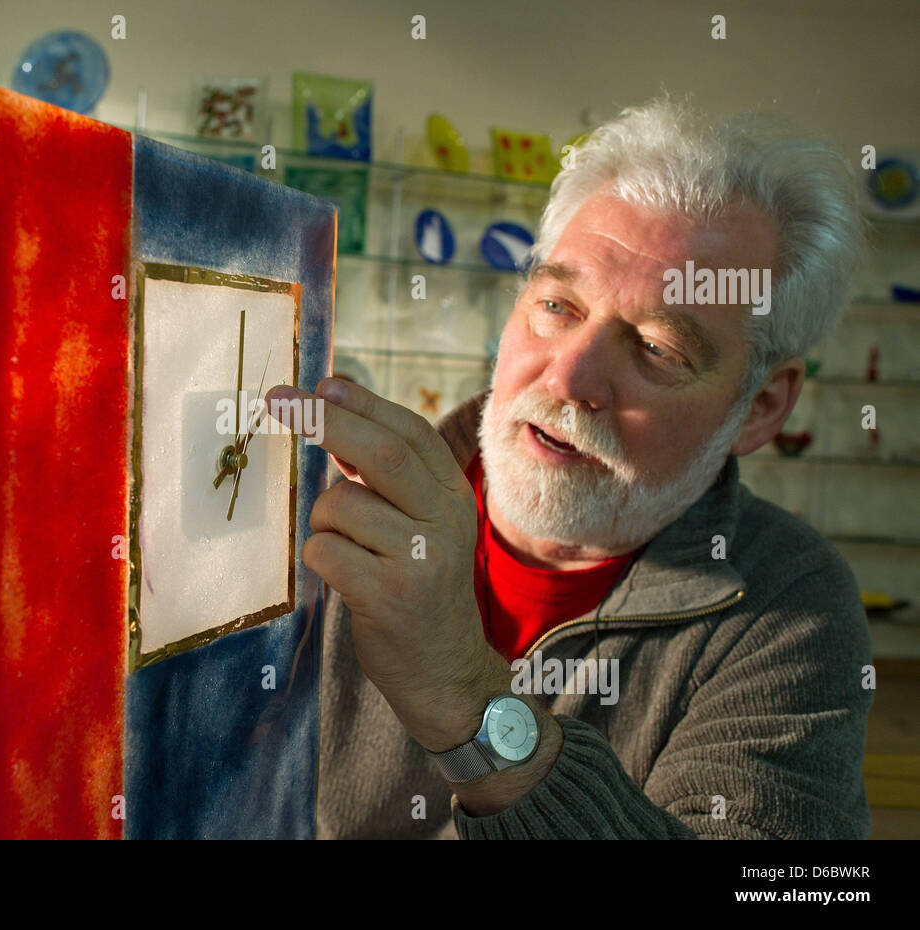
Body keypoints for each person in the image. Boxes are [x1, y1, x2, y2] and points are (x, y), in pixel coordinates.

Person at [267, 96, 872, 839]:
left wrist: (468, 701)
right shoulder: (323, 500)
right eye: (557, 305)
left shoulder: (789, 604)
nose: (569, 380)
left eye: (659, 349)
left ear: (761, 408)